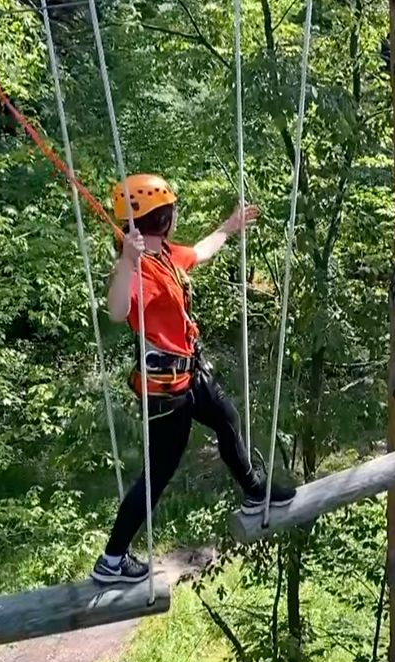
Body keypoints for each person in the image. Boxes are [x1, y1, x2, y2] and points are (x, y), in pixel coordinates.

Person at [91, 173, 296, 584]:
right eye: (173, 211)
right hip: (165, 389)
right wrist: (126, 264)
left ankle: (254, 490)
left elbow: (200, 253)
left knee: (226, 417)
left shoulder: (165, 255)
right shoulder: (138, 269)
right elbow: (116, 311)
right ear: (164, 219)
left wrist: (229, 226)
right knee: (159, 472)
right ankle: (112, 559)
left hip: (190, 373)